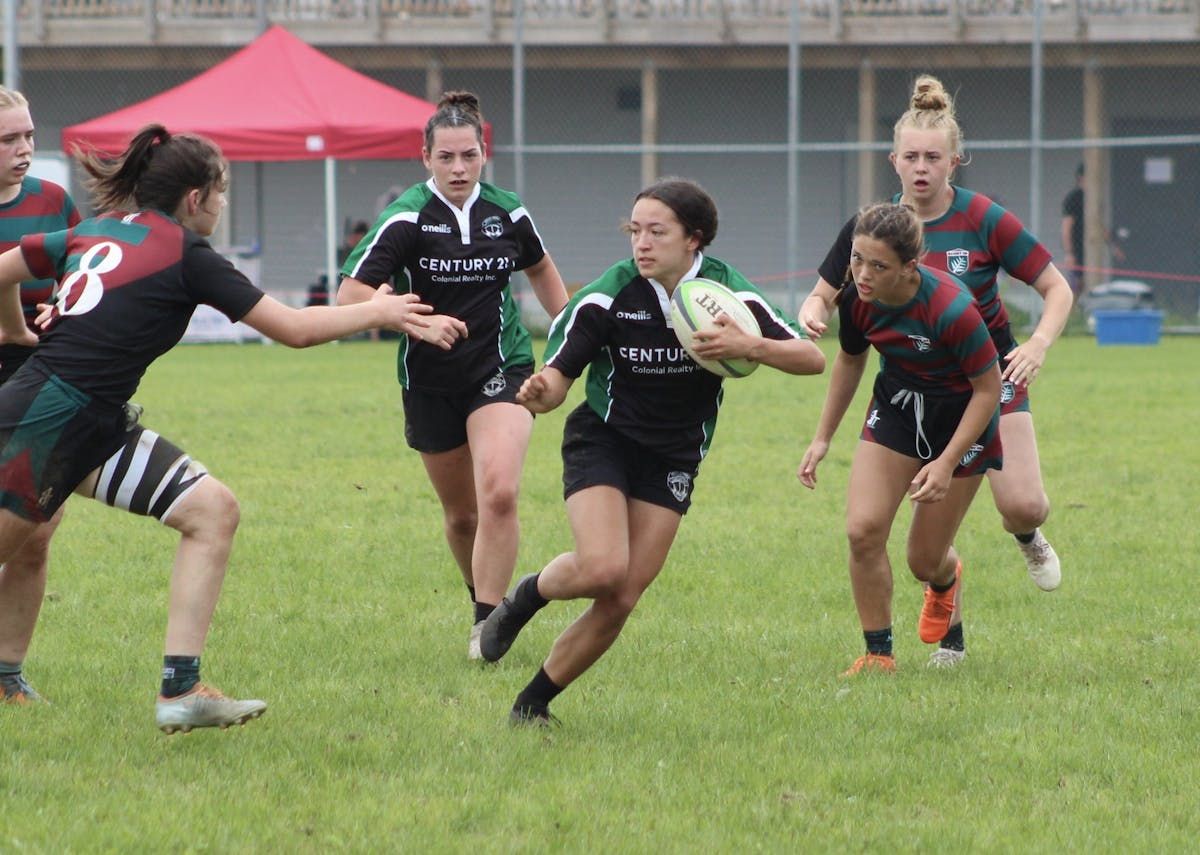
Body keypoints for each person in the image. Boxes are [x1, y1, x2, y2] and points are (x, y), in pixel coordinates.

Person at [0, 124, 433, 731]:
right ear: (196, 199)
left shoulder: (91, 230)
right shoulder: (185, 252)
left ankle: (182, 690)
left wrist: (17, 330)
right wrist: (381, 310)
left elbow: (5, 269)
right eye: (222, 193)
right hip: (52, 420)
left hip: (89, 423)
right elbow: (294, 329)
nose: (223, 206)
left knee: (212, 510)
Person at [478, 177, 825, 725]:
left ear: (695, 239)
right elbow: (558, 380)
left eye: (656, 232)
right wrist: (542, 392)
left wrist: (749, 344)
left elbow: (811, 359)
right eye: (635, 230)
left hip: (675, 454)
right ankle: (525, 599)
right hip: (605, 437)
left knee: (622, 595)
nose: (641, 243)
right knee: (601, 566)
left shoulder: (727, 295)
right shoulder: (608, 294)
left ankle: (531, 704)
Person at [798, 76, 1073, 666]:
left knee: (1022, 505)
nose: (921, 168)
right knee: (880, 534)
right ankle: (891, 645)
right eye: (911, 156)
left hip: (987, 380)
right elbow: (832, 302)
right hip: (907, 393)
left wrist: (1040, 343)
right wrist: (814, 308)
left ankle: (1027, 537)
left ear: (954, 160)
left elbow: (1056, 288)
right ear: (893, 160)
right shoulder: (874, 234)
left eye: (933, 157)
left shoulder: (983, 220)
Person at [337, 91, 568, 660]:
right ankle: (479, 599)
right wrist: (416, 323)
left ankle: (489, 627)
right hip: (430, 381)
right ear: (426, 158)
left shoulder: (508, 211)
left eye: (469, 156)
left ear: (484, 153)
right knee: (463, 514)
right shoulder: (407, 216)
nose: (459, 168)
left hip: (501, 364)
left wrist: (567, 344)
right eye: (447, 158)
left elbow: (540, 268)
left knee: (501, 493)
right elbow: (351, 296)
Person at [798, 203, 1002, 675]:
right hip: (897, 411)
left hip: (962, 422)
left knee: (923, 560)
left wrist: (947, 462)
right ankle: (878, 654)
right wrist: (823, 437)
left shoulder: (952, 309)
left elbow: (989, 389)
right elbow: (851, 360)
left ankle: (946, 580)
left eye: (878, 265)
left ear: (911, 266)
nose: (862, 275)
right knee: (862, 531)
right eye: (856, 260)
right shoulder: (856, 298)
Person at [0, 86, 81, 704]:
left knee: (37, 527)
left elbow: (87, 271)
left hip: (40, 371)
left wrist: (62, 304)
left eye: (28, 136)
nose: (24, 149)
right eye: (9, 140)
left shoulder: (53, 200)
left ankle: (6, 677)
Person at [1060, 162, 1124, 300]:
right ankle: (1069, 315)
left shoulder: (1093, 199)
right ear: (1081, 178)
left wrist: (1113, 247)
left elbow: (1099, 226)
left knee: (1089, 285)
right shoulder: (1074, 198)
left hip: (1091, 250)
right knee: (1075, 286)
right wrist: (1069, 253)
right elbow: (1066, 227)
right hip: (1077, 249)